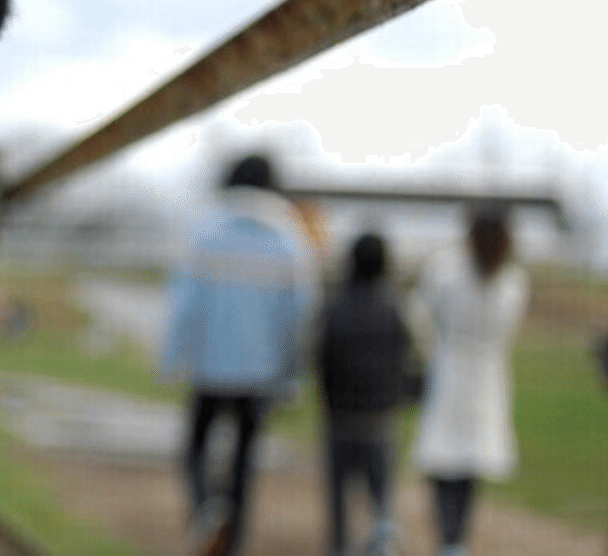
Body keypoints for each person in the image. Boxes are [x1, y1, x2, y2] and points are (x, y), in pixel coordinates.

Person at [159, 154, 319, 556]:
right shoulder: (289, 240)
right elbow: (298, 317)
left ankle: (205, 508)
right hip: (260, 374)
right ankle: (234, 542)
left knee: (195, 448)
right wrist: (292, 376)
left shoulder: (205, 232)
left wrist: (172, 357)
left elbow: (184, 304)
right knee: (245, 461)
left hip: (210, 369)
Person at [411, 204, 529, 556]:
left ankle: (448, 540)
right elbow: (509, 332)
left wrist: (432, 349)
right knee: (469, 465)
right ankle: (456, 540)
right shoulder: (513, 282)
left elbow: (418, 316)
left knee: (444, 463)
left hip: (449, 372)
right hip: (486, 378)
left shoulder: (445, 270)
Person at [317, 233, 414, 556]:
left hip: (341, 417)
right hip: (379, 418)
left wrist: (328, 402)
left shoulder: (335, 307)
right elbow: (406, 360)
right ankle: (382, 545)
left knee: (338, 499)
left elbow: (322, 360)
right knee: (381, 497)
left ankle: (339, 546)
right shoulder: (393, 308)